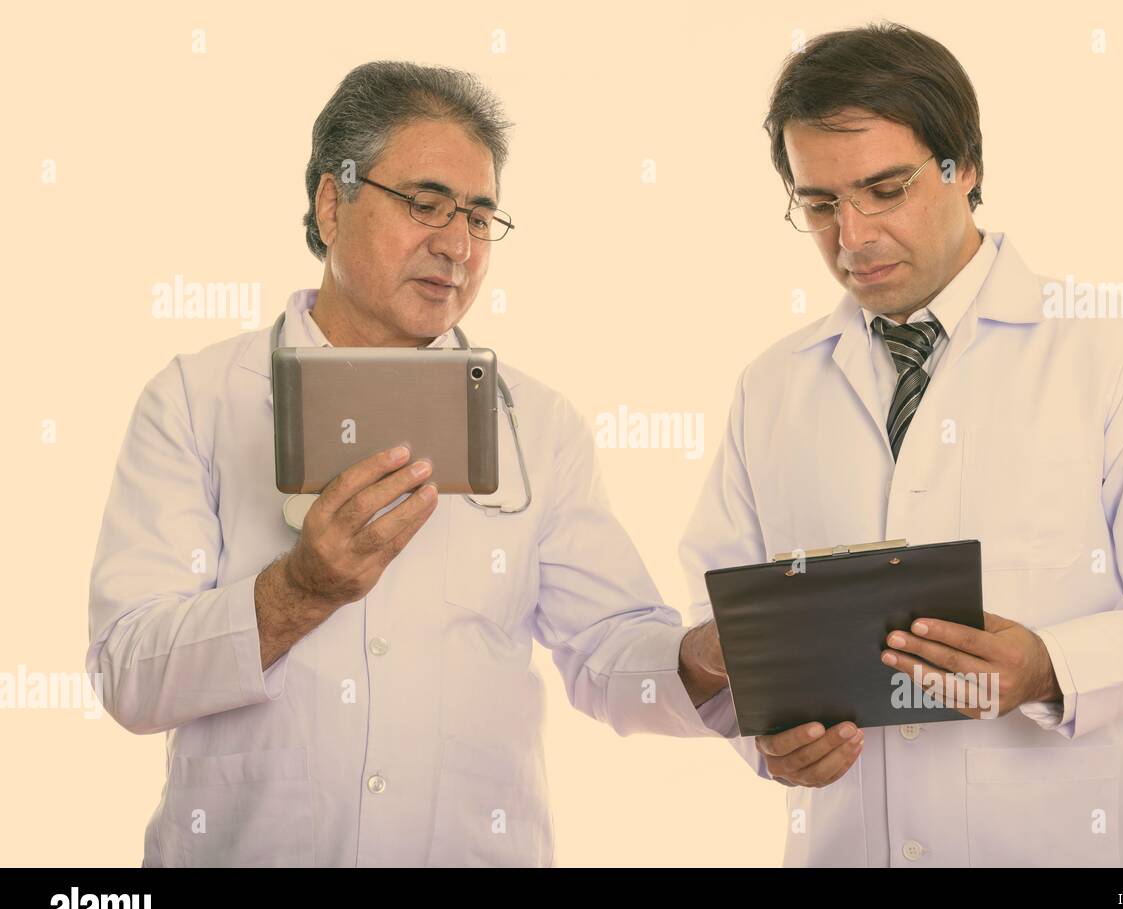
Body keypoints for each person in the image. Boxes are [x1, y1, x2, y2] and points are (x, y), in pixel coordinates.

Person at [87, 60, 733, 867]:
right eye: (426, 205)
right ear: (332, 203)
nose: (457, 245)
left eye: (479, 216)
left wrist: (696, 658)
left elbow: (607, 651)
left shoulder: (539, 425)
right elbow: (128, 672)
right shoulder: (197, 398)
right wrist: (295, 594)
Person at [674, 23, 1123, 867]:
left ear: (965, 167)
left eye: (886, 189)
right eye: (819, 204)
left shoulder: (1110, 343)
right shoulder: (772, 385)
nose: (853, 236)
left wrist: (1051, 665)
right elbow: (721, 616)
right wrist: (766, 734)